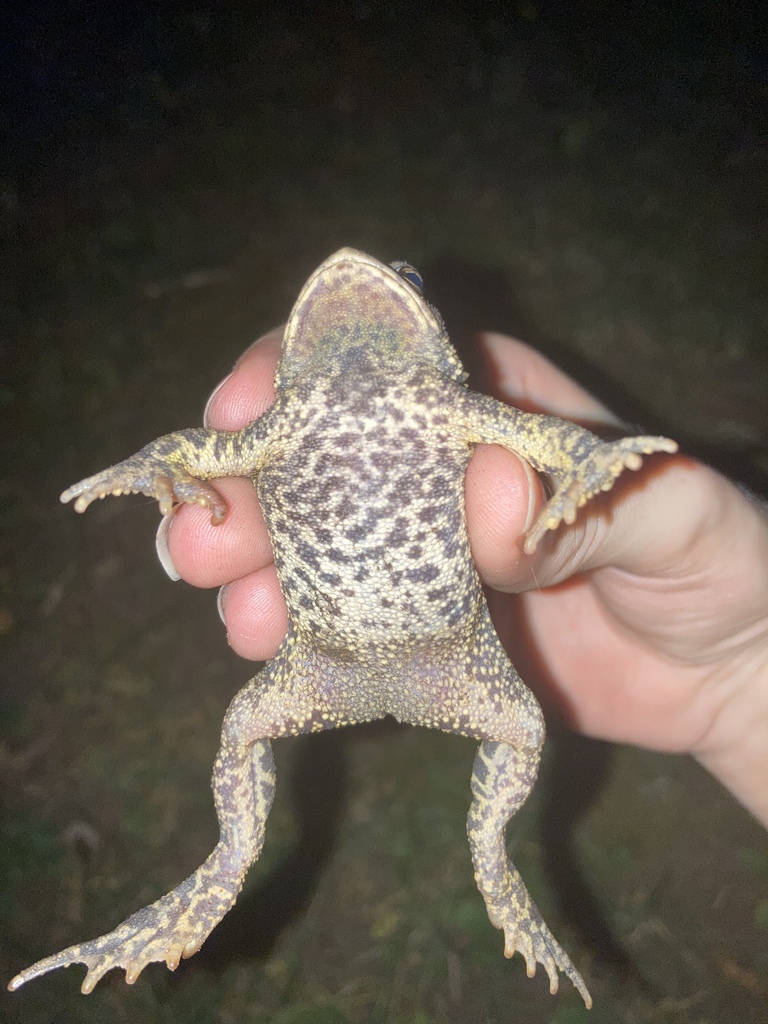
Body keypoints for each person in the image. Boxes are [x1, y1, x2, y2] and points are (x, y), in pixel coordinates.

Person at [156, 328, 768, 830]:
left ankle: (493, 861)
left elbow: (549, 437)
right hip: (324, 656)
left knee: (518, 728)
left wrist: (594, 464)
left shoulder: (443, 404)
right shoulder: (284, 422)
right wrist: (150, 467)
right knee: (242, 728)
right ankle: (224, 868)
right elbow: (200, 453)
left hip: (449, 653)